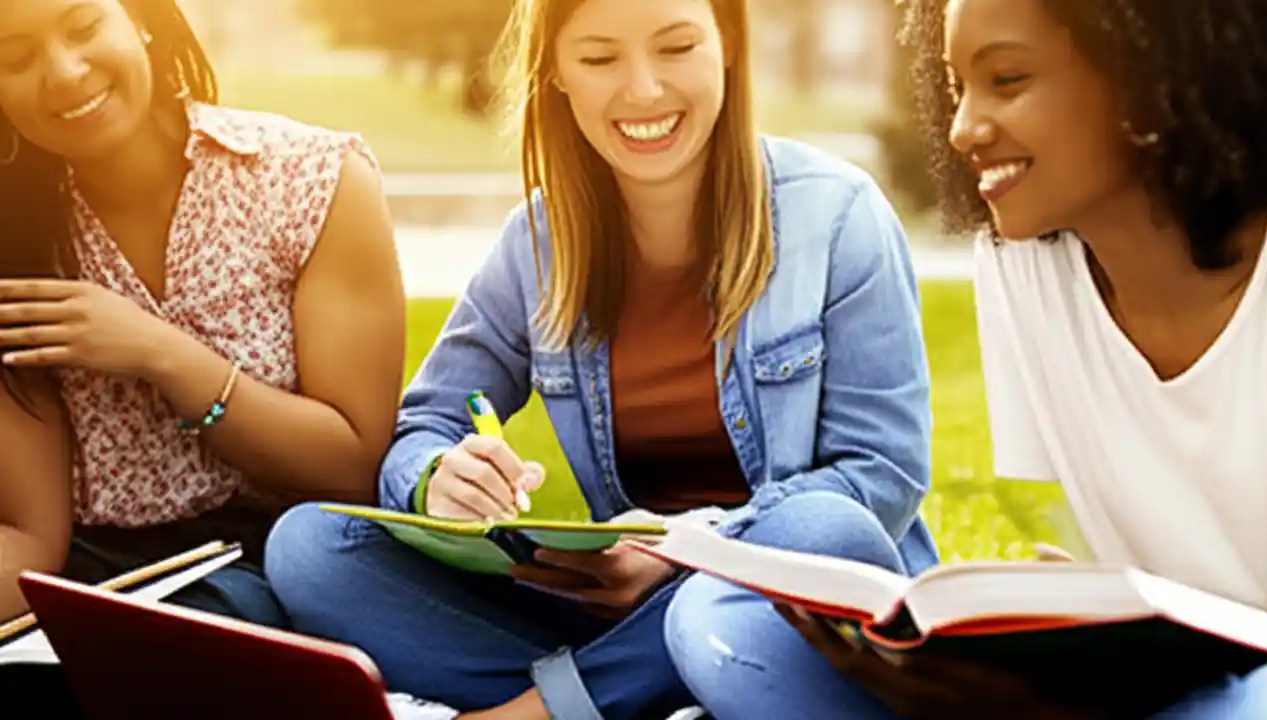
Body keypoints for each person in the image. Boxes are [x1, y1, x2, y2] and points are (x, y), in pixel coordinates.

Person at [263, 0, 939, 717]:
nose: (643, 89)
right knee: (310, 547)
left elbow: (881, 476)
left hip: (784, 606)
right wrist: (436, 479)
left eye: (675, 48)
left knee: (812, 532)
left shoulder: (836, 216)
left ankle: (550, 709)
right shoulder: (537, 246)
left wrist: (691, 546)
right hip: (625, 617)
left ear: (728, 46)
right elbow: (425, 422)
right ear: (556, 73)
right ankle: (637, 693)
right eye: (599, 58)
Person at [675, 0, 1267, 717]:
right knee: (721, 614)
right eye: (957, 89)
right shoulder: (1023, 266)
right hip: (1160, 682)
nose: (964, 129)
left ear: (1149, 74)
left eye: (1009, 79)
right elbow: (1119, 568)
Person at [0, 0, 405, 631]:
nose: (64, 72)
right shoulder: (15, 241)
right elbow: (33, 539)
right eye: (16, 58)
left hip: (281, 568)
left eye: (83, 27)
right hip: (92, 578)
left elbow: (352, 465)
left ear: (141, 18)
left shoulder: (311, 181)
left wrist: (159, 354)